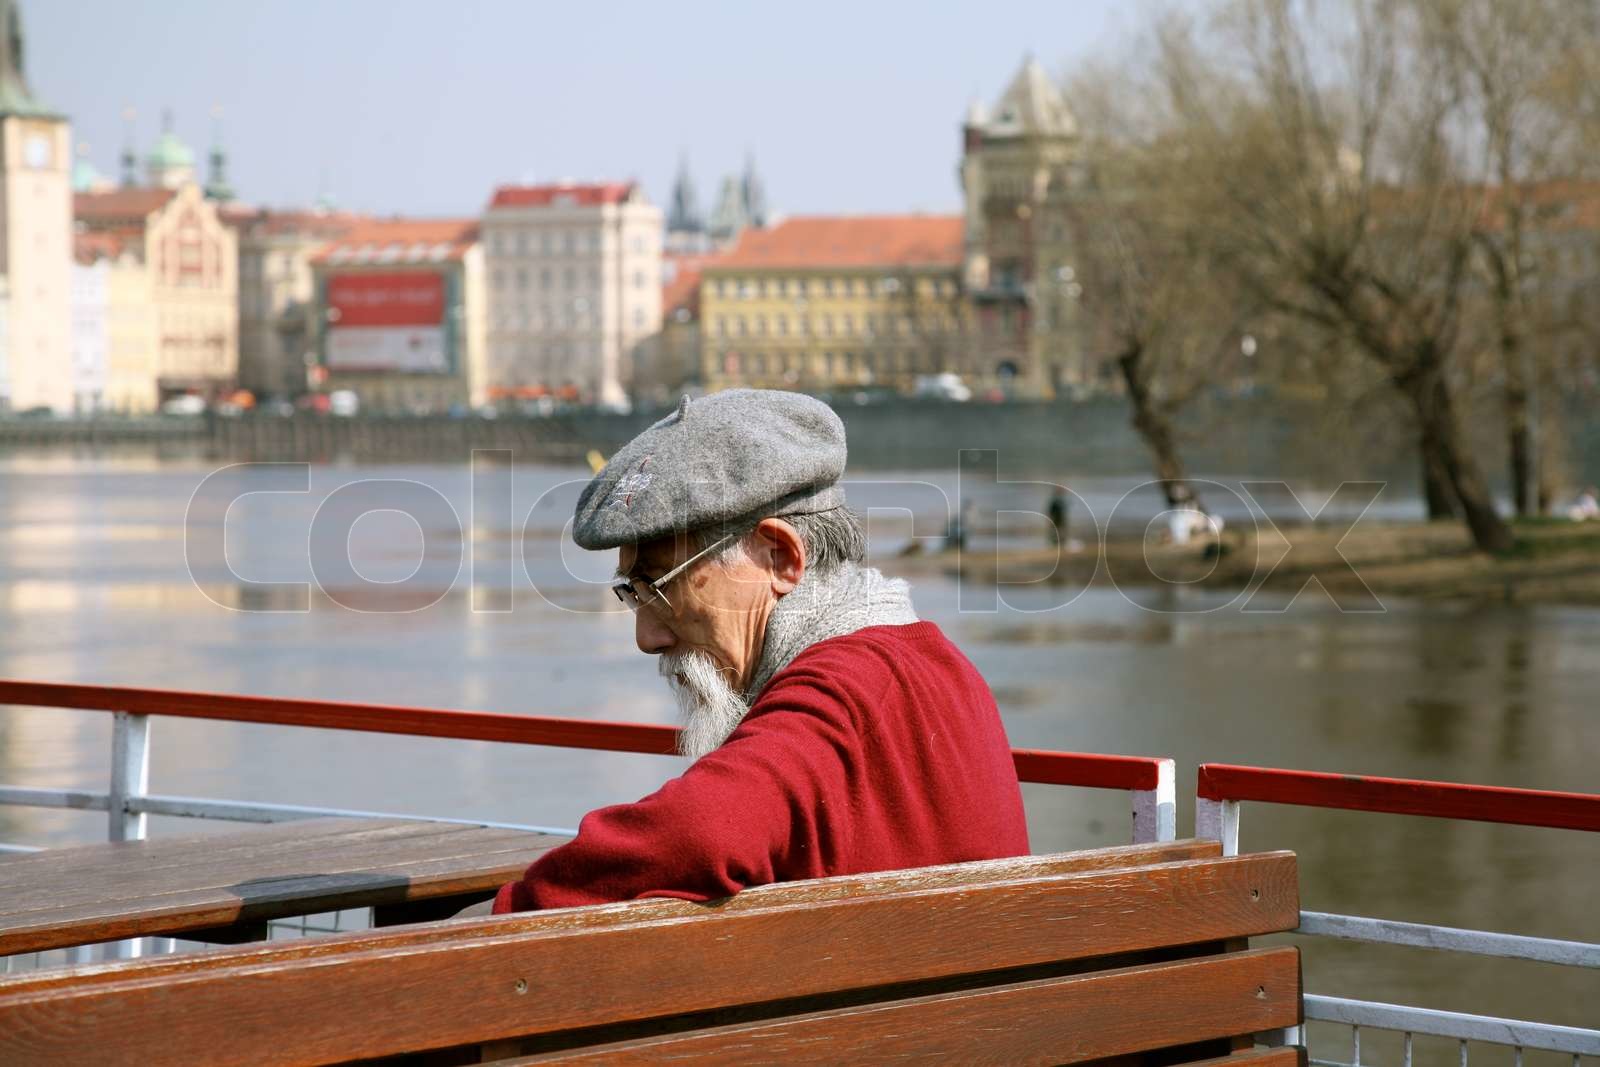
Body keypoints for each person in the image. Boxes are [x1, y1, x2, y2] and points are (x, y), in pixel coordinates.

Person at [492, 390, 1029, 912]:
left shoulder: (838, 694)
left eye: (660, 587)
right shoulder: (941, 666)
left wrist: (505, 911)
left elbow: (702, 831)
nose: (647, 636)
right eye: (632, 592)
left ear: (779, 558)